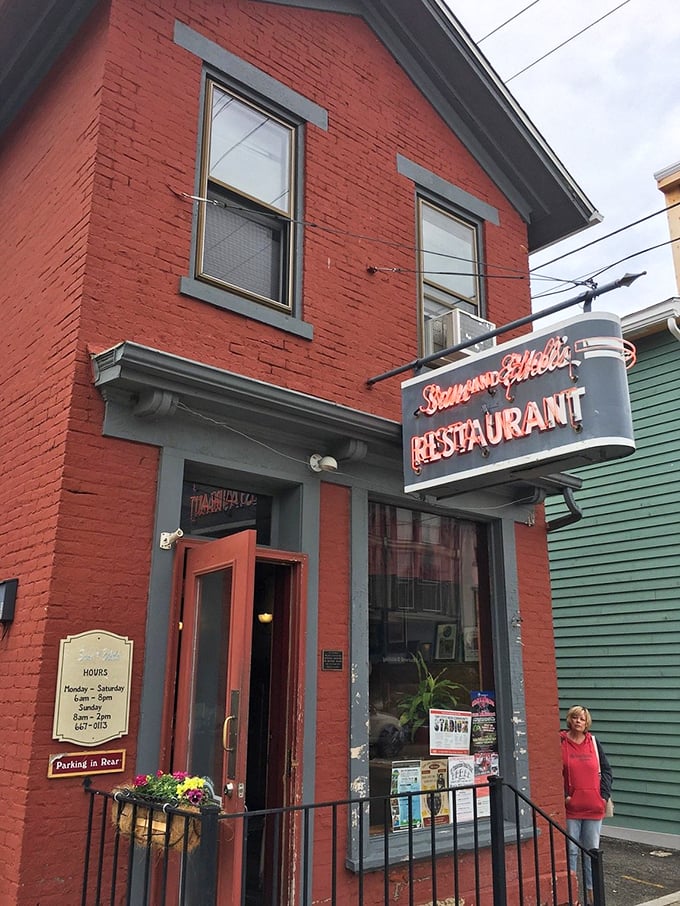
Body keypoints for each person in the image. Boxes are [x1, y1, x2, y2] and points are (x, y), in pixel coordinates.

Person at [561, 705, 613, 905]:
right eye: (575, 717)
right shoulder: (561, 742)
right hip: (571, 808)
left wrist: (603, 795)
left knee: (591, 852)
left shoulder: (593, 742)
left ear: (587, 722)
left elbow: (607, 771)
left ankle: (592, 896)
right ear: (569, 720)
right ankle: (572, 895)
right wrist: (565, 795)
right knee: (571, 851)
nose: (578, 721)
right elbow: (554, 770)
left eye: (582, 719)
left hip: (593, 807)